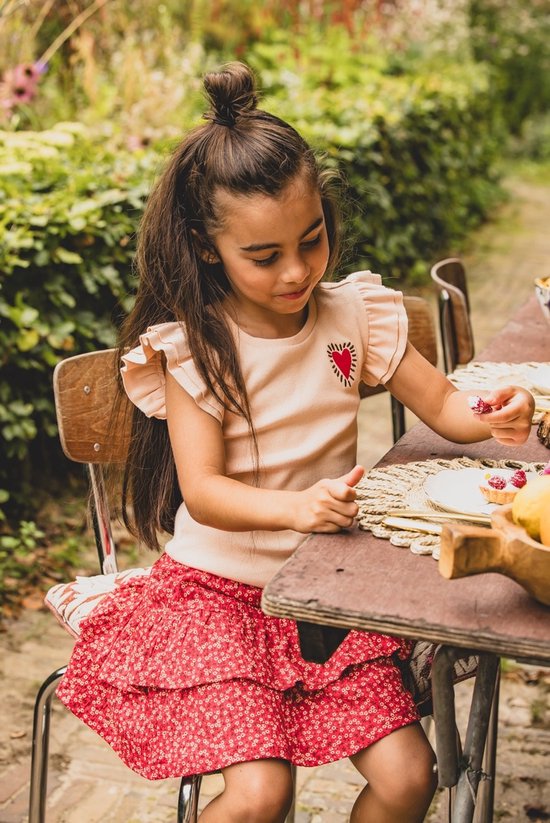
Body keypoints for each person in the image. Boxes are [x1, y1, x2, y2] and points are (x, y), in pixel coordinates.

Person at [56, 62, 534, 823]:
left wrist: (497, 414)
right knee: (258, 794)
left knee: (412, 776)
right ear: (208, 248)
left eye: (311, 241)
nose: (298, 270)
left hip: (327, 595)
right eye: (265, 255)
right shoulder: (195, 351)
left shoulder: (353, 319)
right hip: (215, 601)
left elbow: (442, 400)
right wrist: (296, 505)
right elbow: (205, 490)